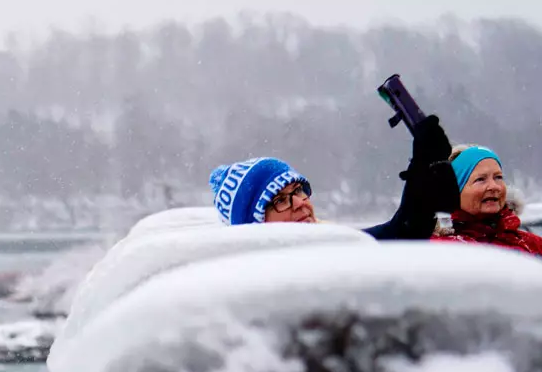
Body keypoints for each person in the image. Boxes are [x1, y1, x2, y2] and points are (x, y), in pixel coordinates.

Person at [208, 115, 458, 239]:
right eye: (280, 201)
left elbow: (395, 236)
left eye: (298, 191)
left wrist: (423, 170)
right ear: (254, 226)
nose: (299, 204)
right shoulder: (266, 283)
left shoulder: (330, 243)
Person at [432, 145, 542, 256]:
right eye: (480, 179)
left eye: (498, 177)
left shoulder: (534, 246)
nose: (494, 186)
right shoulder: (439, 251)